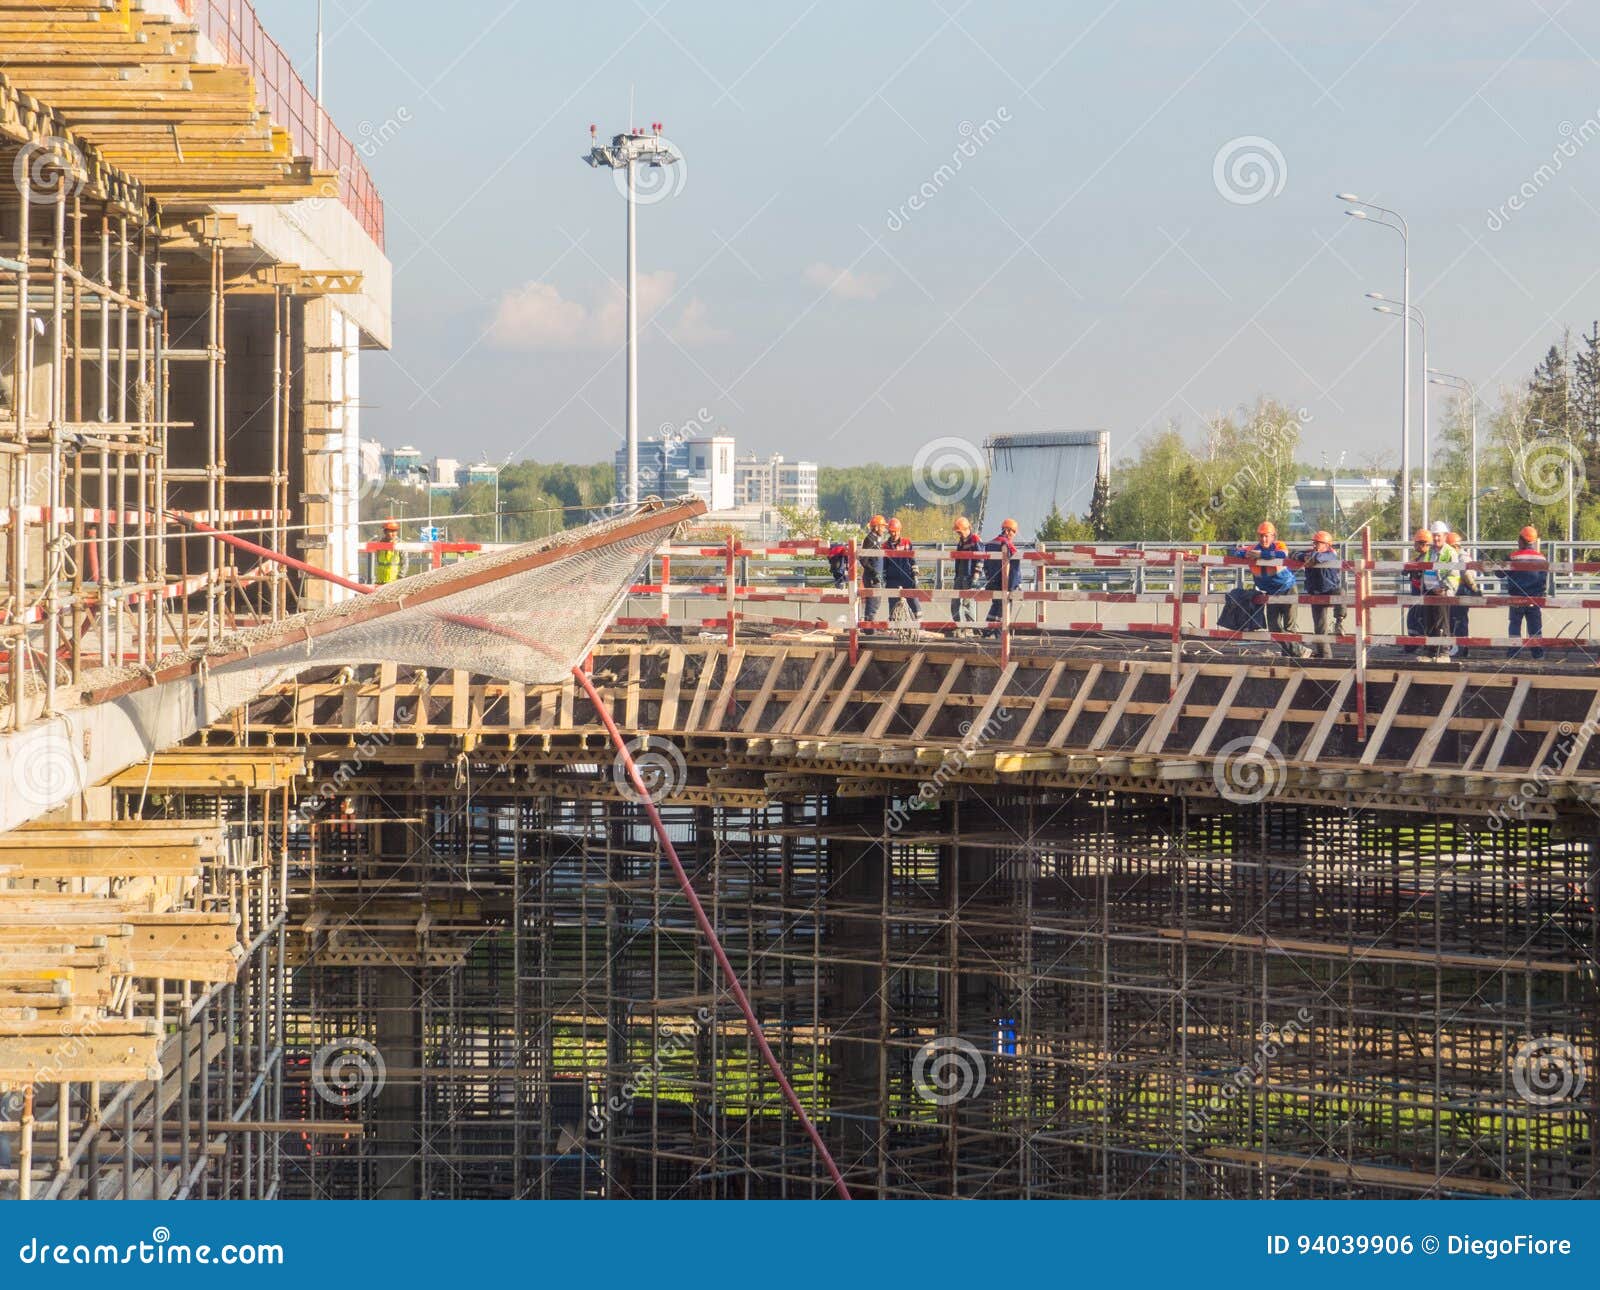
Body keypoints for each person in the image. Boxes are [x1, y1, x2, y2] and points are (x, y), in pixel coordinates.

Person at [1238, 521, 1302, 657]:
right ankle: (1297, 651)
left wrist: (1261, 555)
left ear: (1273, 536)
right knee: (1273, 626)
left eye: (1266, 536)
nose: (1263, 539)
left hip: (1287, 588)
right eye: (1261, 536)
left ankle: (1292, 654)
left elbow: (1283, 554)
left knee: (1289, 627)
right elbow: (1236, 552)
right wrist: (1245, 554)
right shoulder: (1253, 548)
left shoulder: (1279, 546)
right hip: (1272, 593)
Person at [1294, 530, 1344, 659]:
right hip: (1316, 592)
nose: (1315, 545)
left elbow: (1320, 558)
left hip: (1330, 590)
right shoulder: (1310, 553)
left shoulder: (1331, 554)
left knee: (1341, 593)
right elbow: (1293, 554)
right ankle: (1325, 656)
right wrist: (1304, 557)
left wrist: (1310, 557)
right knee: (1319, 627)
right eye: (1315, 543)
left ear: (1327, 545)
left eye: (1319, 543)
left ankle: (1339, 622)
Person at [1505, 524, 1548, 660]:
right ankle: (1537, 653)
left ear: (1522, 540)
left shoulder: (1513, 557)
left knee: (1515, 625)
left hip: (1516, 598)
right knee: (1535, 626)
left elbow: (1499, 573)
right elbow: (1543, 578)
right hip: (1534, 598)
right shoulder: (1541, 558)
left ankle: (1513, 652)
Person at [1422, 525, 1460, 662]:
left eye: (1439, 535)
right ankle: (1431, 652)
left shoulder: (1450, 552)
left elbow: (1455, 574)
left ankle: (1444, 653)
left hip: (1443, 593)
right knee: (1430, 622)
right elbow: (1425, 570)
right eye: (1434, 535)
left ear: (1445, 536)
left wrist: (1444, 588)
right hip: (1430, 591)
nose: (1436, 538)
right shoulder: (1430, 552)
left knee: (1442, 623)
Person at [983, 517, 1021, 635]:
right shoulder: (1008, 545)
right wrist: (1015, 584)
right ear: (1007, 531)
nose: (1013, 535)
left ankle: (987, 631)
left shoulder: (990, 544)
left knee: (996, 605)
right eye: (1013, 532)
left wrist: (989, 578)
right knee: (1005, 607)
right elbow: (1015, 566)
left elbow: (985, 563)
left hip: (992, 580)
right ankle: (1000, 634)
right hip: (1004, 582)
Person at [882, 517, 920, 622]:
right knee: (893, 604)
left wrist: (915, 575)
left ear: (899, 530)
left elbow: (912, 560)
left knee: (913, 601)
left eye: (895, 532)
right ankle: (893, 625)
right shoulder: (885, 546)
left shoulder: (906, 543)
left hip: (907, 577)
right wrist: (883, 578)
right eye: (891, 532)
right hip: (892, 579)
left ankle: (919, 623)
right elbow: (884, 564)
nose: (893, 534)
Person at [1401, 528, 1432, 654]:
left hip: (1423, 592)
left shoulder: (1429, 557)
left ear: (1424, 543)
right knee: (1413, 617)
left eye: (1416, 543)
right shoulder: (1420, 557)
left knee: (1420, 617)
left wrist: (1413, 569)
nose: (1414, 546)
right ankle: (1413, 643)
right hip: (1417, 591)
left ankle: (1422, 644)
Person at [1447, 530, 1477, 659]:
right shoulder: (1461, 556)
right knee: (1458, 620)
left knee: (1458, 620)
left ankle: (1460, 648)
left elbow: (1467, 575)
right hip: (1459, 591)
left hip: (1461, 591)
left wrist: (1474, 589)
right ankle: (1460, 647)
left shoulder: (1460, 557)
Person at [950, 516, 981, 634]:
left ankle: (970, 628)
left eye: (959, 531)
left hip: (969, 576)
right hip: (960, 576)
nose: (958, 534)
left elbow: (981, 558)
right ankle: (958, 625)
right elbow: (958, 559)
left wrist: (976, 575)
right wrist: (957, 575)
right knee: (955, 602)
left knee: (968, 602)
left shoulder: (975, 540)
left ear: (965, 529)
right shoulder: (961, 542)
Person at [860, 514, 887, 625]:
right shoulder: (870, 540)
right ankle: (869, 628)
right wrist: (873, 572)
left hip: (876, 576)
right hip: (871, 577)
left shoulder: (876, 540)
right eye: (882, 527)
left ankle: (870, 626)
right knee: (873, 601)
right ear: (876, 527)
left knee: (876, 600)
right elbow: (863, 560)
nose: (884, 529)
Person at [374, 519, 403, 585]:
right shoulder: (380, 544)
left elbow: (405, 562)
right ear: (385, 532)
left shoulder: (400, 545)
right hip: (380, 581)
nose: (393, 533)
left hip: (394, 582)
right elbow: (378, 561)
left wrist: (400, 577)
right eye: (391, 531)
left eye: (395, 531)